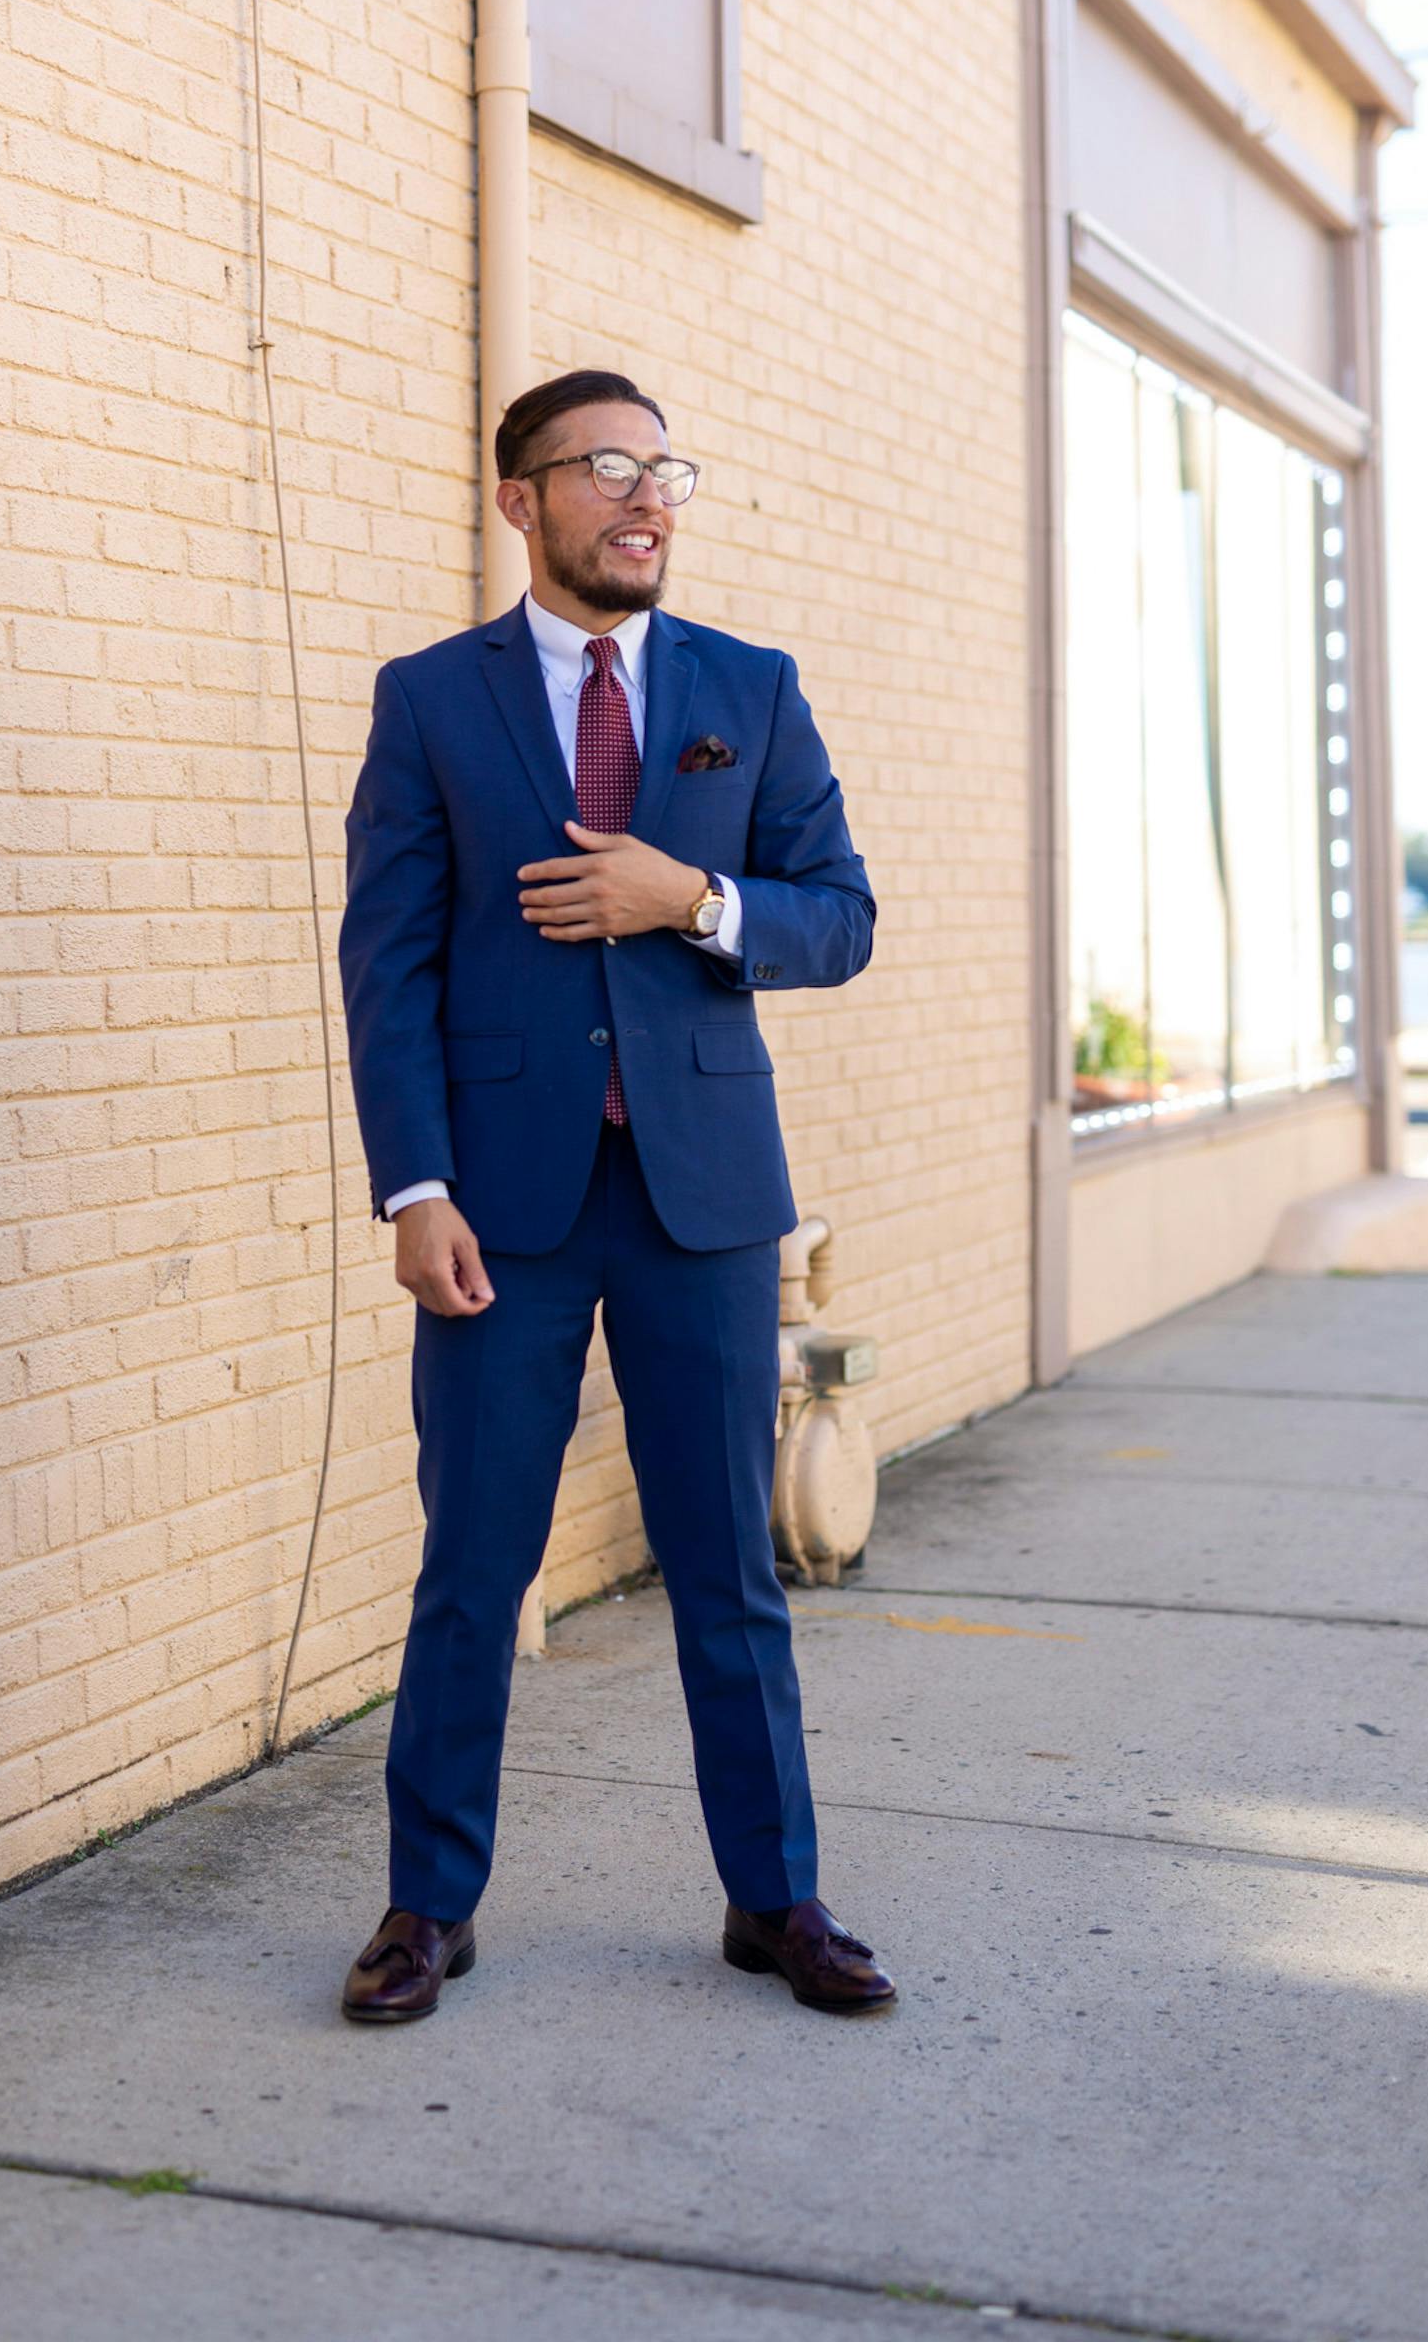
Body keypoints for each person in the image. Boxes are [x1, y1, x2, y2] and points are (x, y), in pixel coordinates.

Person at [336, 367, 894, 2021]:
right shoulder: (434, 699)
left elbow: (840, 918)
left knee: (726, 1566)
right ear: (522, 499)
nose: (647, 498)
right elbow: (391, 960)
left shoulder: (751, 689)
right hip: (500, 1205)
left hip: (702, 1203)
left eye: (666, 471)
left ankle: (774, 1899)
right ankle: (428, 1906)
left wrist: (691, 897)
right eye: (605, 469)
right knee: (472, 1568)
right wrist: (413, 1187)